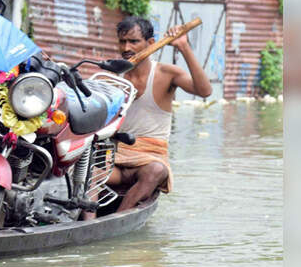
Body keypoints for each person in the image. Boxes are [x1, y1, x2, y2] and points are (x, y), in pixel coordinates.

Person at [86, 16, 212, 218]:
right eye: (122, 41)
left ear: (150, 43)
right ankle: (88, 224)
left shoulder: (166, 73)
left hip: (149, 158)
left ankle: (118, 219)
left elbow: (205, 91)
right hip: (116, 159)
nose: (127, 47)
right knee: (86, 171)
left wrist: (184, 47)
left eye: (134, 41)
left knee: (156, 171)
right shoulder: (113, 78)